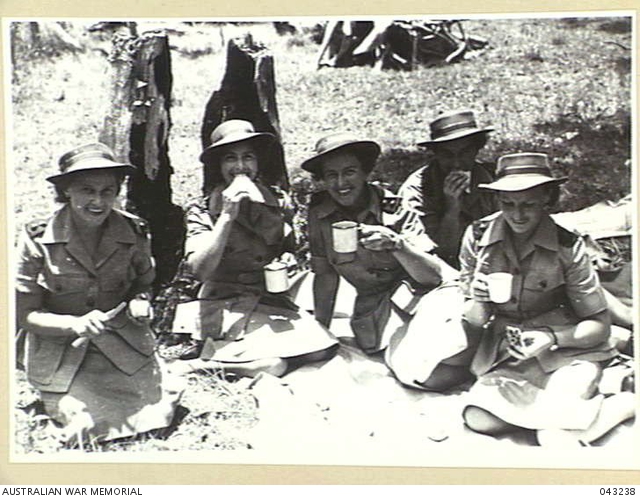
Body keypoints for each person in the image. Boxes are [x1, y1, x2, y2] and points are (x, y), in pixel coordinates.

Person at [459, 152, 635, 446]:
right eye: (508, 204)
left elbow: (598, 326)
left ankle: (617, 405)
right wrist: (478, 299)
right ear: (496, 201)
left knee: (553, 429)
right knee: (477, 417)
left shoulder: (567, 244)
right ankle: (599, 410)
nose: (517, 215)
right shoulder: (478, 237)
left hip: (567, 353)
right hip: (508, 354)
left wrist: (550, 338)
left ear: (547, 200)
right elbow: (473, 323)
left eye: (528, 204)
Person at [15, 143, 181, 446]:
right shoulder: (38, 236)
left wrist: (139, 301)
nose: (98, 201)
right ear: (67, 191)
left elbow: (144, 283)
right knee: (87, 424)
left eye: (108, 191)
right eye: (87, 190)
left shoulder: (134, 230)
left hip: (118, 341)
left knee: (161, 410)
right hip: (60, 349)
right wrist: (73, 325)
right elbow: (24, 315)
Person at [176, 119, 338, 377]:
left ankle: (243, 364)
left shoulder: (277, 200)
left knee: (325, 348)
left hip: (269, 299)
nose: (241, 167)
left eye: (248, 157)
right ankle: (204, 366)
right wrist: (227, 215)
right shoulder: (203, 209)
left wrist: (287, 258)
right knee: (274, 362)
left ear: (258, 162)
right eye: (231, 158)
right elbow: (198, 270)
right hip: (224, 302)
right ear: (219, 165)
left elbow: (287, 246)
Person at [302, 131, 458, 360]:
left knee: (448, 350)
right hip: (373, 312)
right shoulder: (320, 214)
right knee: (412, 359)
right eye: (331, 175)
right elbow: (325, 275)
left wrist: (397, 245)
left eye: (350, 172)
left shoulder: (394, 209)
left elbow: (433, 277)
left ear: (366, 172)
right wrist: (321, 331)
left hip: (420, 297)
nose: (340, 183)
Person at [395, 109, 497, 268]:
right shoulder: (417, 189)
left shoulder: (493, 180)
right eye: (447, 155)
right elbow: (438, 255)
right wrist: (452, 207)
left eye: (464, 153)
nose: (456, 163)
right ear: (435, 154)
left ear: (477, 149)